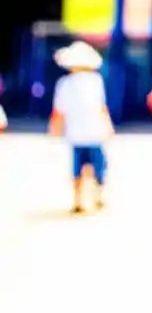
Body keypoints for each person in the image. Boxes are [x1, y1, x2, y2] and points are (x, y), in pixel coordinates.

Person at [49, 41, 113, 214]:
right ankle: (96, 197)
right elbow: (102, 106)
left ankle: (79, 201)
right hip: (94, 132)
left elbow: (58, 111)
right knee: (98, 168)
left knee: (78, 169)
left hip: (76, 133)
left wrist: (54, 130)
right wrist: (108, 125)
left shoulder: (64, 83)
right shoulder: (96, 81)